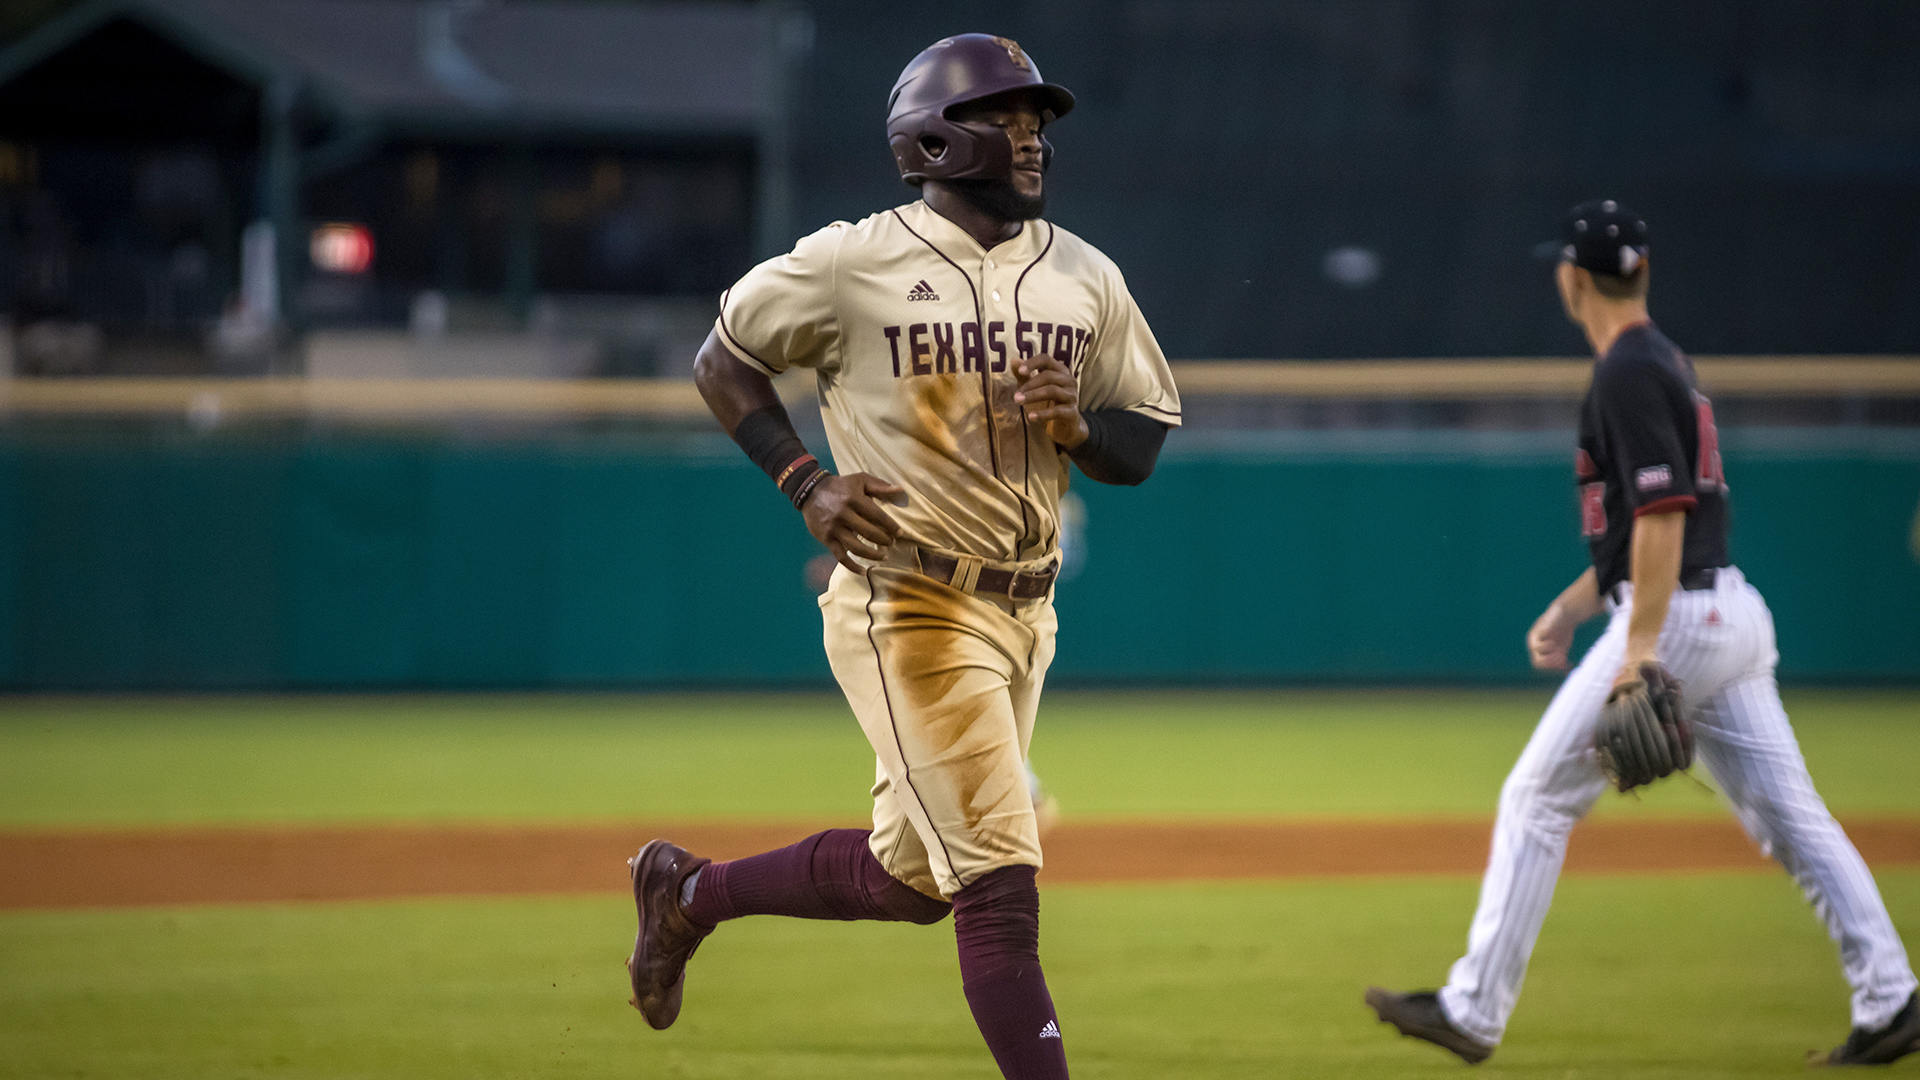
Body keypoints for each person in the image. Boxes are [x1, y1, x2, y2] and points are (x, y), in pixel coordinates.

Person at [624, 34, 1180, 1080]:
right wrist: (803, 481)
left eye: (1037, 124)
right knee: (1001, 893)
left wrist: (1080, 433)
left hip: (1027, 612)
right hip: (909, 602)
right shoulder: (849, 260)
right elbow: (723, 360)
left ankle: (687, 894)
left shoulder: (1085, 275)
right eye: (1004, 119)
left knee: (912, 883)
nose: (1030, 141)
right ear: (931, 137)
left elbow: (1141, 441)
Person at [1364, 200, 1918, 1067]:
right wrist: (1574, 606)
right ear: (1645, 273)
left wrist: (1638, 653)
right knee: (1792, 815)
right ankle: (1892, 997)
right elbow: (1646, 529)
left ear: (1571, 279)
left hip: (1681, 618)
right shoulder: (1662, 360)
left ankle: (1473, 1010)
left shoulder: (1625, 370)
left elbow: (1662, 515)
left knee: (1536, 799)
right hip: (1729, 611)